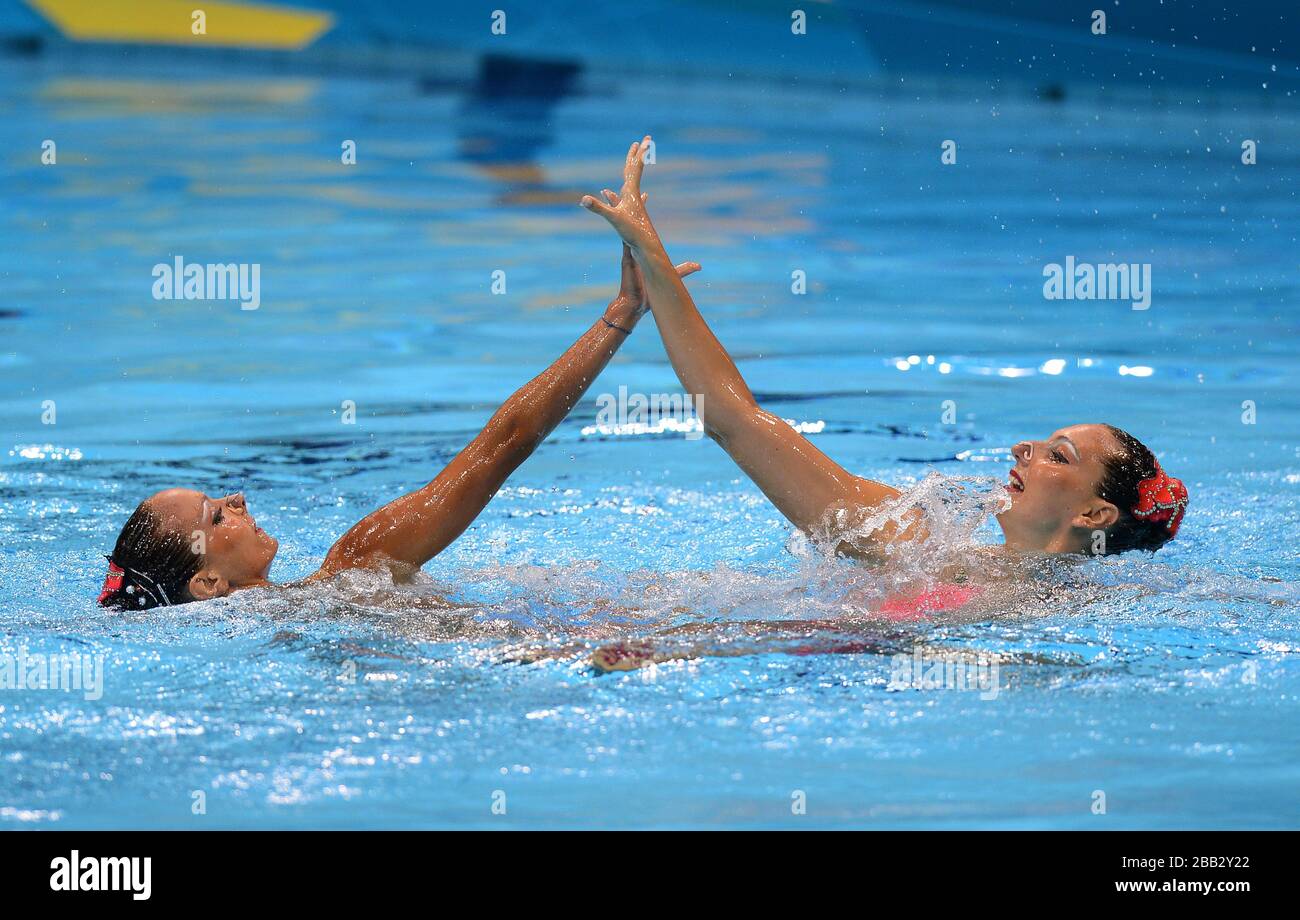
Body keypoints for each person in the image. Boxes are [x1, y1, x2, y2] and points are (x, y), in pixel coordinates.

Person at [580, 137, 1189, 576]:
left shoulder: (934, 564)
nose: (1021, 449)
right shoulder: (928, 546)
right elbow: (736, 421)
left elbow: (731, 423)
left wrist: (652, 261)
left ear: (1094, 511)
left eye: (1060, 455)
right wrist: (656, 273)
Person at [97, 246, 700, 609]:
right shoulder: (354, 568)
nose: (237, 498)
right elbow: (505, 443)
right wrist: (620, 315)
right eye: (215, 514)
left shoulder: (293, 617)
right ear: (206, 583)